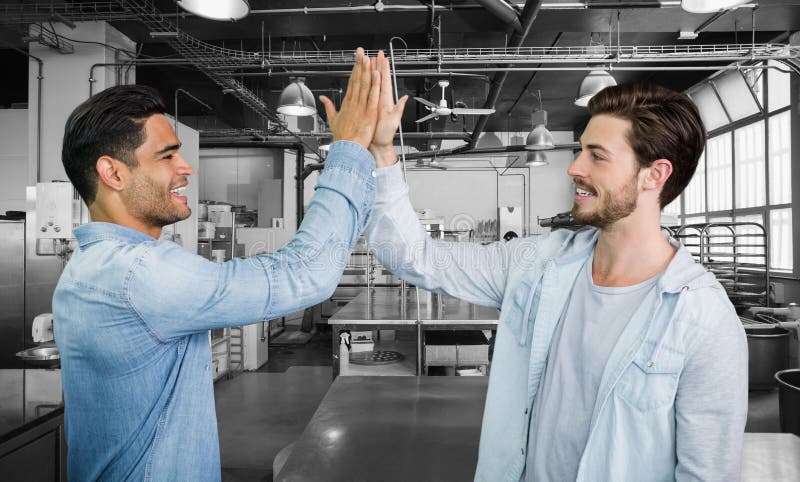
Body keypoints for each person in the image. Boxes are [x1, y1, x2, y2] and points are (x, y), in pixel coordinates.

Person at [365, 83, 747, 481]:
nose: (574, 167)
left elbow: (708, 474)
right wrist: (381, 154)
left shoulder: (703, 319)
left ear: (655, 175)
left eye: (596, 156)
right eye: (581, 150)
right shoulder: (539, 264)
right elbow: (414, 256)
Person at [53, 48, 403, 481]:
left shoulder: (91, 266)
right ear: (113, 173)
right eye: (166, 156)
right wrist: (350, 150)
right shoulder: (136, 274)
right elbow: (305, 274)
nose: (186, 168)